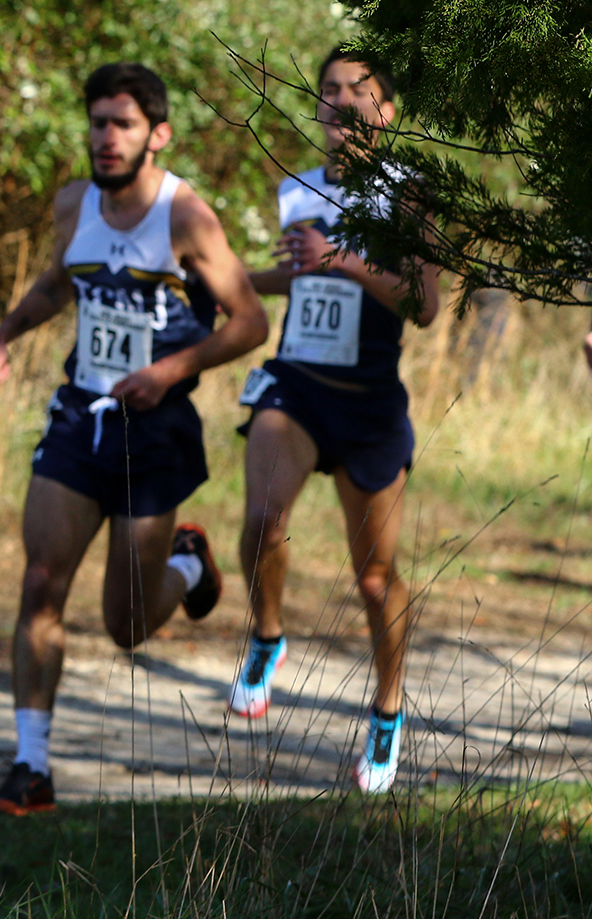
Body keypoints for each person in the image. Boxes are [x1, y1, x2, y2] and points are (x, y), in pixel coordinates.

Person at [0, 62, 268, 815]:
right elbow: (56, 282)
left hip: (156, 431)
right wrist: (4, 335)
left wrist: (169, 371)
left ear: (157, 135)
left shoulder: (186, 216)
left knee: (126, 624)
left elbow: (250, 322)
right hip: (81, 418)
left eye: (123, 125)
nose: (107, 138)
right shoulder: (75, 203)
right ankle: (30, 769)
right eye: (98, 122)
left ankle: (188, 566)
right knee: (41, 581)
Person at [227, 49, 438, 795]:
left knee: (375, 580)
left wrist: (341, 258)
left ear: (387, 111)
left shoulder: (408, 192)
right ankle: (267, 636)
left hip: (369, 401)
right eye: (330, 89)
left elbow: (425, 304)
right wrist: (222, 279)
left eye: (360, 89)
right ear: (317, 106)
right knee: (262, 521)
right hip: (298, 387)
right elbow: (296, 276)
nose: (342, 100)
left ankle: (387, 711)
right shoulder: (297, 189)